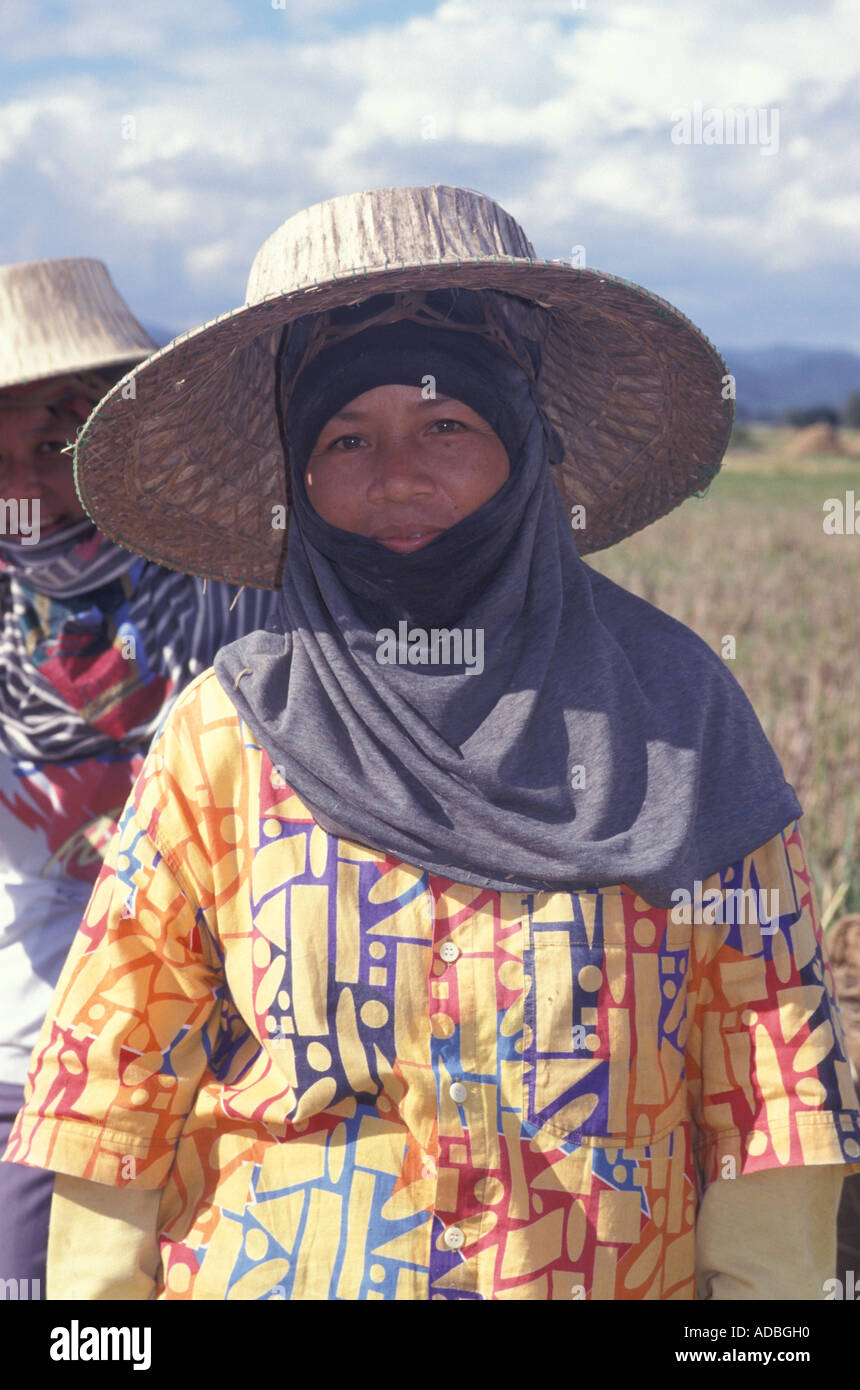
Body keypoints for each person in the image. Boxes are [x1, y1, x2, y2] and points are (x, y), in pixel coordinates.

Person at [5, 187, 860, 1301]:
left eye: (445, 426)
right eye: (345, 437)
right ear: (297, 478)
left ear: (524, 442)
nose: (395, 475)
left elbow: (767, 1054)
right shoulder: (227, 728)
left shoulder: (674, 710)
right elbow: (116, 1068)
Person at [0, 257, 282, 1296]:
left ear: (121, 438)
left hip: (245, 1042)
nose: (24, 490)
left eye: (57, 443)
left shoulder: (244, 583)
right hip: (39, 1050)